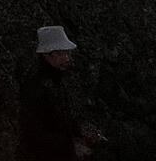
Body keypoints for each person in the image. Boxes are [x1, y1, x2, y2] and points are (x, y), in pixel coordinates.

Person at [17, 25, 105, 160]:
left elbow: (60, 120)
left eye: (67, 53)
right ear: (46, 55)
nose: (67, 58)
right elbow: (32, 136)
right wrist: (71, 145)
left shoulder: (55, 82)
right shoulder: (36, 89)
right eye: (61, 53)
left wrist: (81, 132)